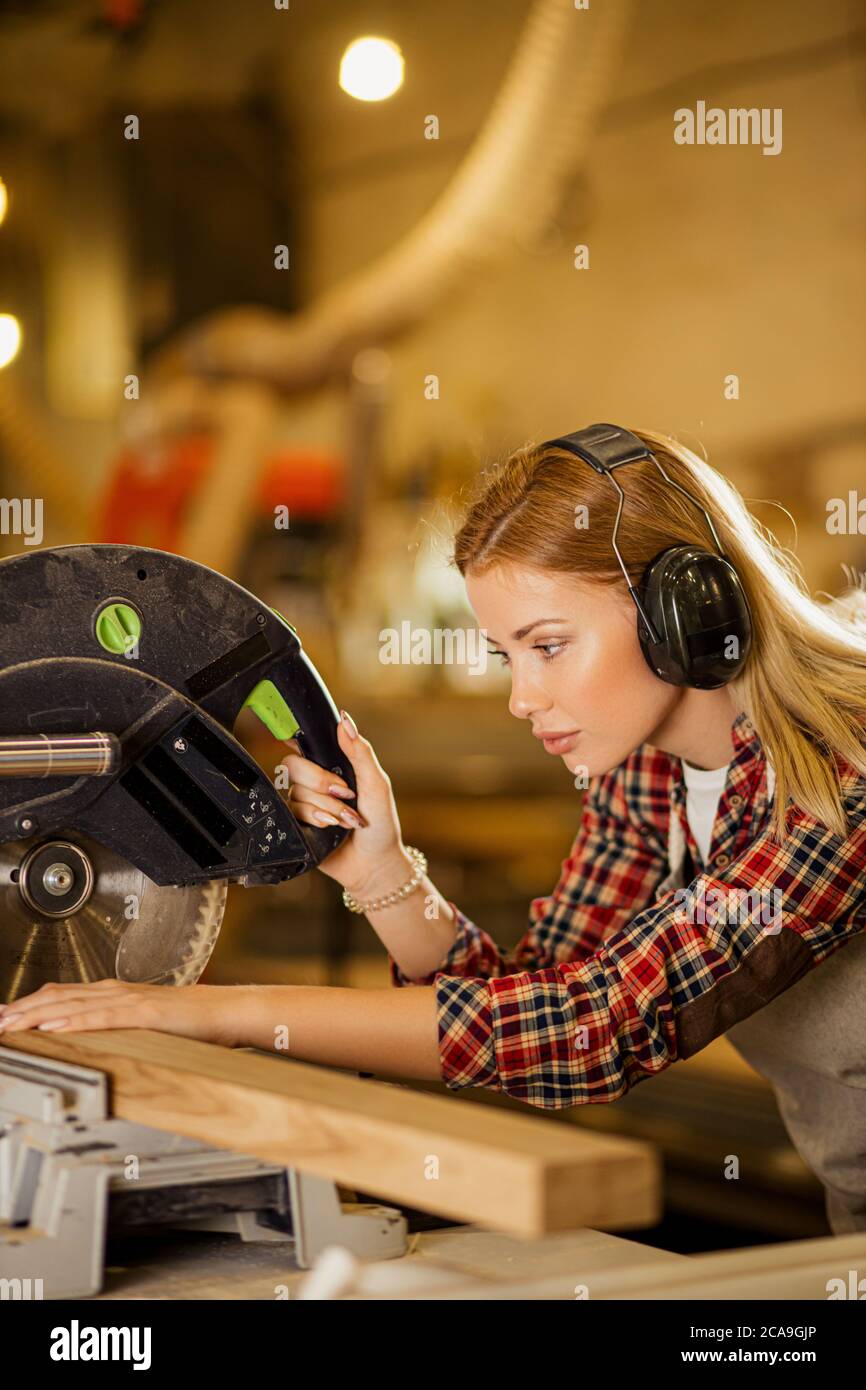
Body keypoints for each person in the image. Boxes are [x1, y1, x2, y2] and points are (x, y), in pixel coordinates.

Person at [2, 425, 865, 1231]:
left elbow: (599, 1024)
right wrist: (378, 869)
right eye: (507, 657)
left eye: (550, 646)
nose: (524, 699)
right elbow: (533, 1001)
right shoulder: (647, 770)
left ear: (688, 611)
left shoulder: (843, 774)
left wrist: (204, 1013)